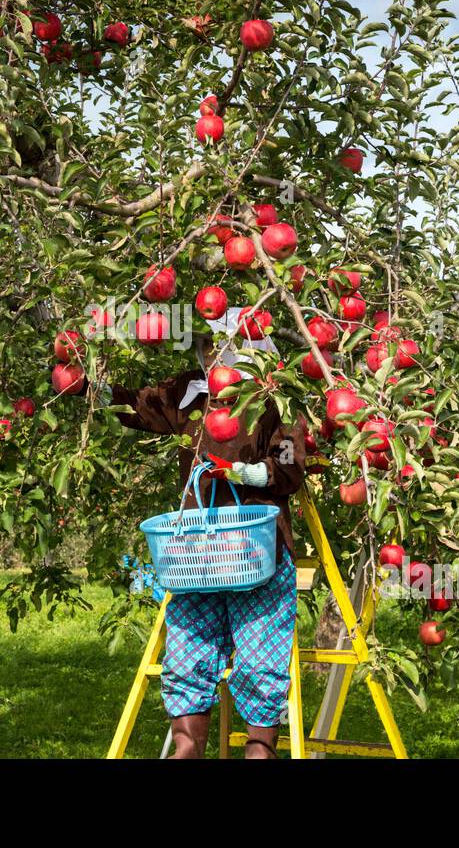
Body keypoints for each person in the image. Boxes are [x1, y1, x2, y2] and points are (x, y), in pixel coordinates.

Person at [80, 309, 307, 758]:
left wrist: (242, 472)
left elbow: (290, 467)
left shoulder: (275, 398)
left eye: (225, 345)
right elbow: (138, 405)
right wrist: (86, 383)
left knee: (262, 659)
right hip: (198, 552)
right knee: (187, 656)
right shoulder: (190, 391)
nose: (213, 353)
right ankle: (187, 750)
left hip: (256, 550)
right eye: (208, 345)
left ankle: (260, 750)